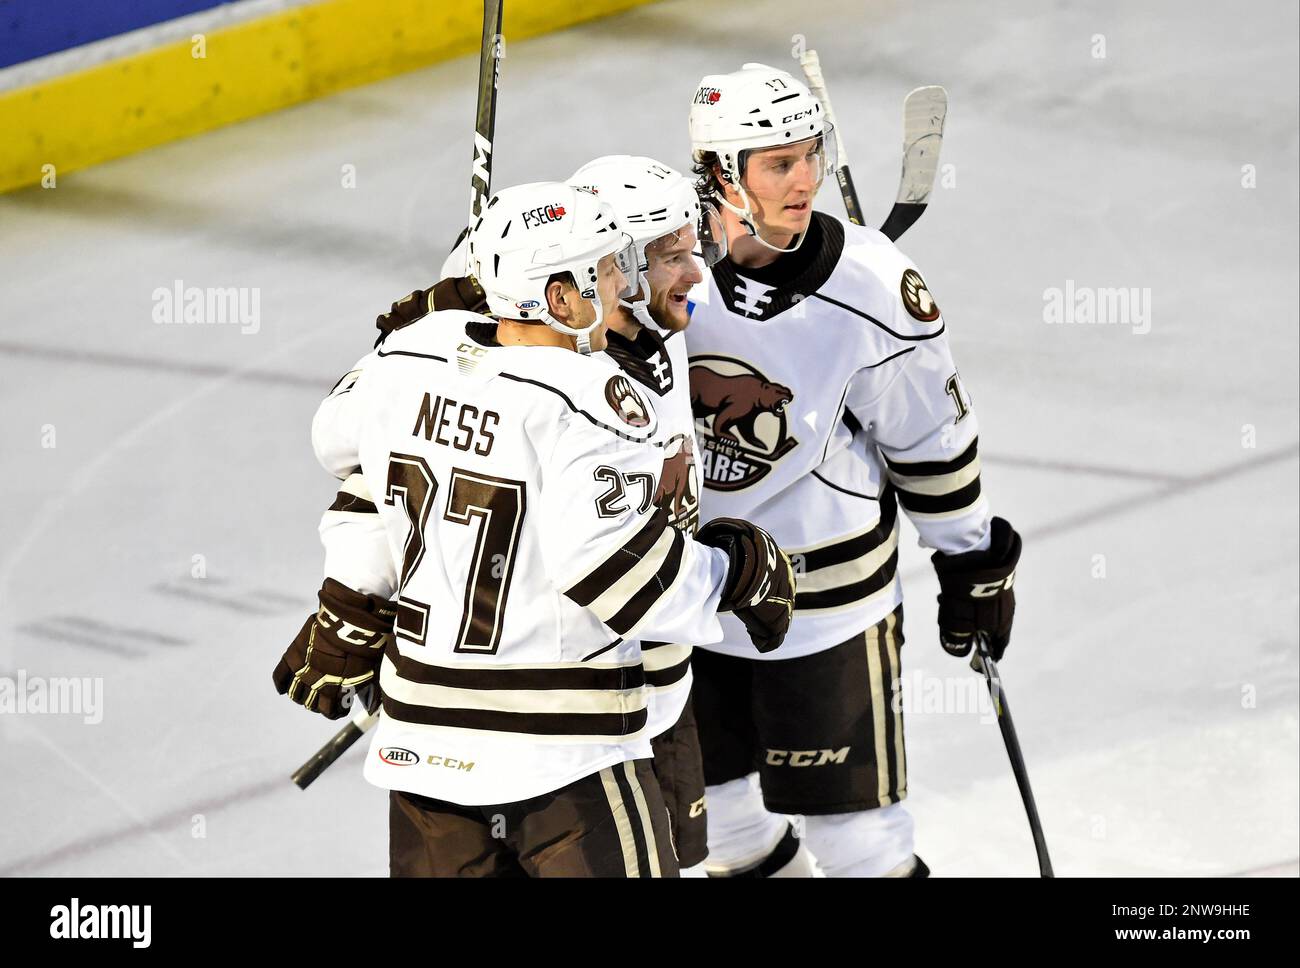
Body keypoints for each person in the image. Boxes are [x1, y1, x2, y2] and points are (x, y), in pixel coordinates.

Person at [272, 181, 795, 877]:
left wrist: (350, 605)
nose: (621, 286)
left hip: (423, 748)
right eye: (608, 271)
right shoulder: (592, 397)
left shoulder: (408, 357)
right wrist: (735, 574)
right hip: (565, 755)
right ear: (559, 297)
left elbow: (344, 449)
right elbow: (613, 573)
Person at [682, 62, 1023, 877]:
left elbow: (929, 437)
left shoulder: (873, 289)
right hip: (690, 596)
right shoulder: (654, 271)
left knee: (859, 846)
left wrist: (971, 559)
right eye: (778, 164)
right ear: (718, 175)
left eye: (811, 156)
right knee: (722, 830)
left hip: (823, 606)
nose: (805, 181)